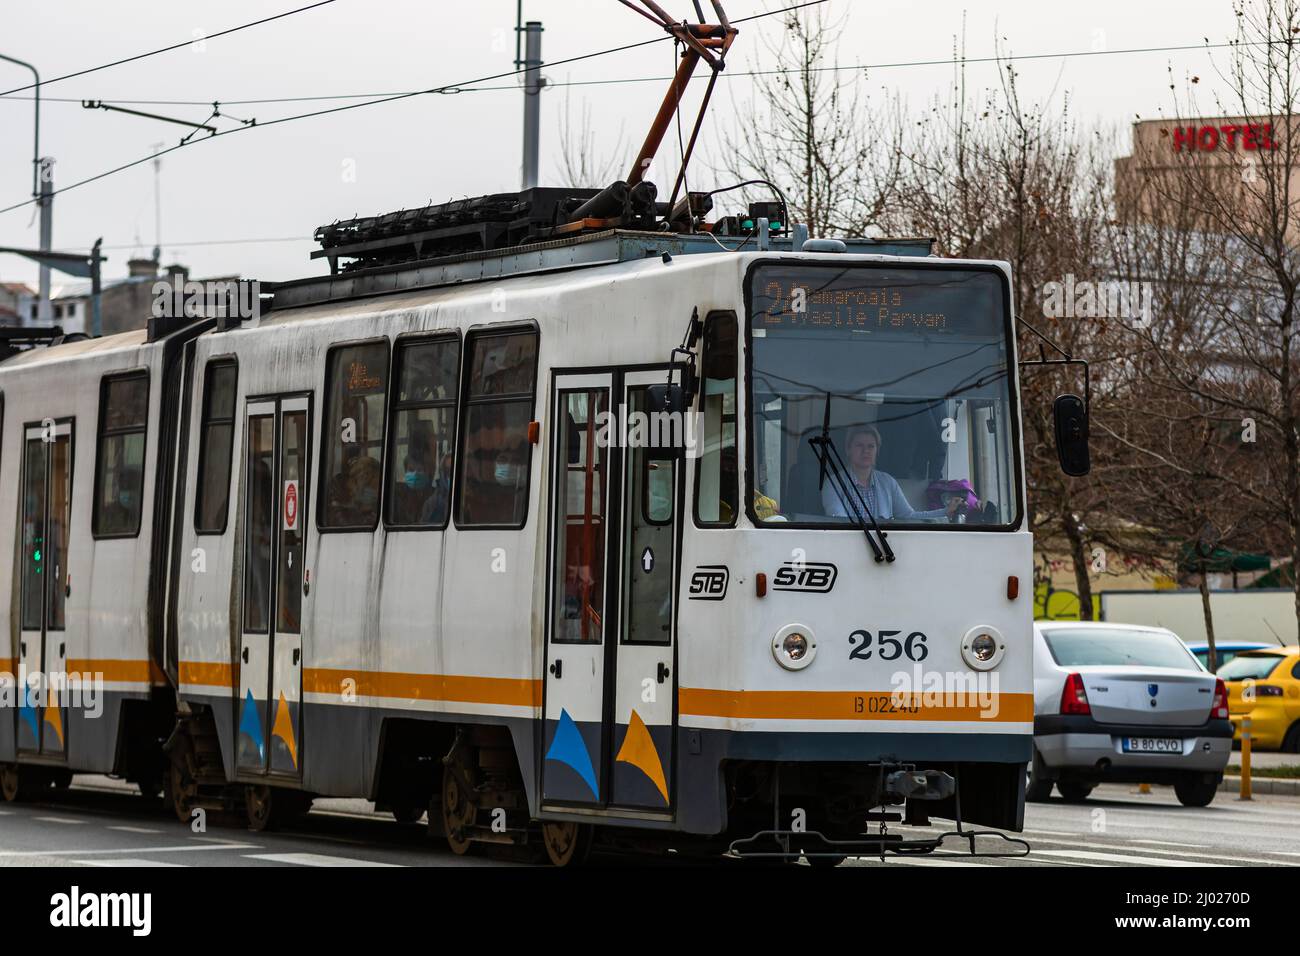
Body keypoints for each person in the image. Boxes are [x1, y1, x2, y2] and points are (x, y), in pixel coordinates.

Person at [821, 425, 964, 523]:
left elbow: (909, 516)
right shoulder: (833, 484)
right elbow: (839, 523)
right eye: (859, 445)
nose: (866, 451)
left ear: (877, 451)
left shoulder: (887, 482)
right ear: (848, 450)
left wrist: (946, 512)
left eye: (871, 446)